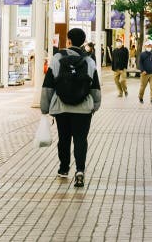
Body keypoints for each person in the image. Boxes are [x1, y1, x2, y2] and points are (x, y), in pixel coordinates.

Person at [40, 28, 101, 188]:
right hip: (83, 109)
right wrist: (94, 106)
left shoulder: (58, 57)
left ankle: (64, 168)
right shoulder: (89, 60)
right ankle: (80, 170)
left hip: (62, 107)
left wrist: (45, 107)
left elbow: (48, 84)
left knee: (64, 138)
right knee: (81, 139)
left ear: (68, 40)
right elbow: (95, 86)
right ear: (83, 41)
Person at [138, 41, 152, 106]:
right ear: (145, 47)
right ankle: (140, 97)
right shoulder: (142, 54)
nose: (149, 47)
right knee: (142, 87)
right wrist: (142, 70)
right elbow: (140, 63)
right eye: (148, 46)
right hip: (144, 74)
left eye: (150, 46)